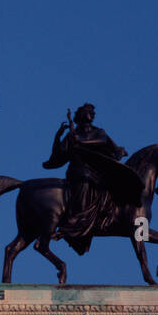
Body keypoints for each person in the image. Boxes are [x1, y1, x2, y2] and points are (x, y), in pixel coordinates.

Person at [42, 103, 129, 249]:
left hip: (97, 175)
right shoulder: (72, 135)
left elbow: (111, 147)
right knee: (84, 182)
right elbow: (59, 156)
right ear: (81, 115)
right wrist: (58, 136)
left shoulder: (99, 133)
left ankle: (104, 219)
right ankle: (74, 225)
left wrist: (119, 151)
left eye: (93, 112)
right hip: (80, 173)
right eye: (89, 111)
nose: (92, 114)